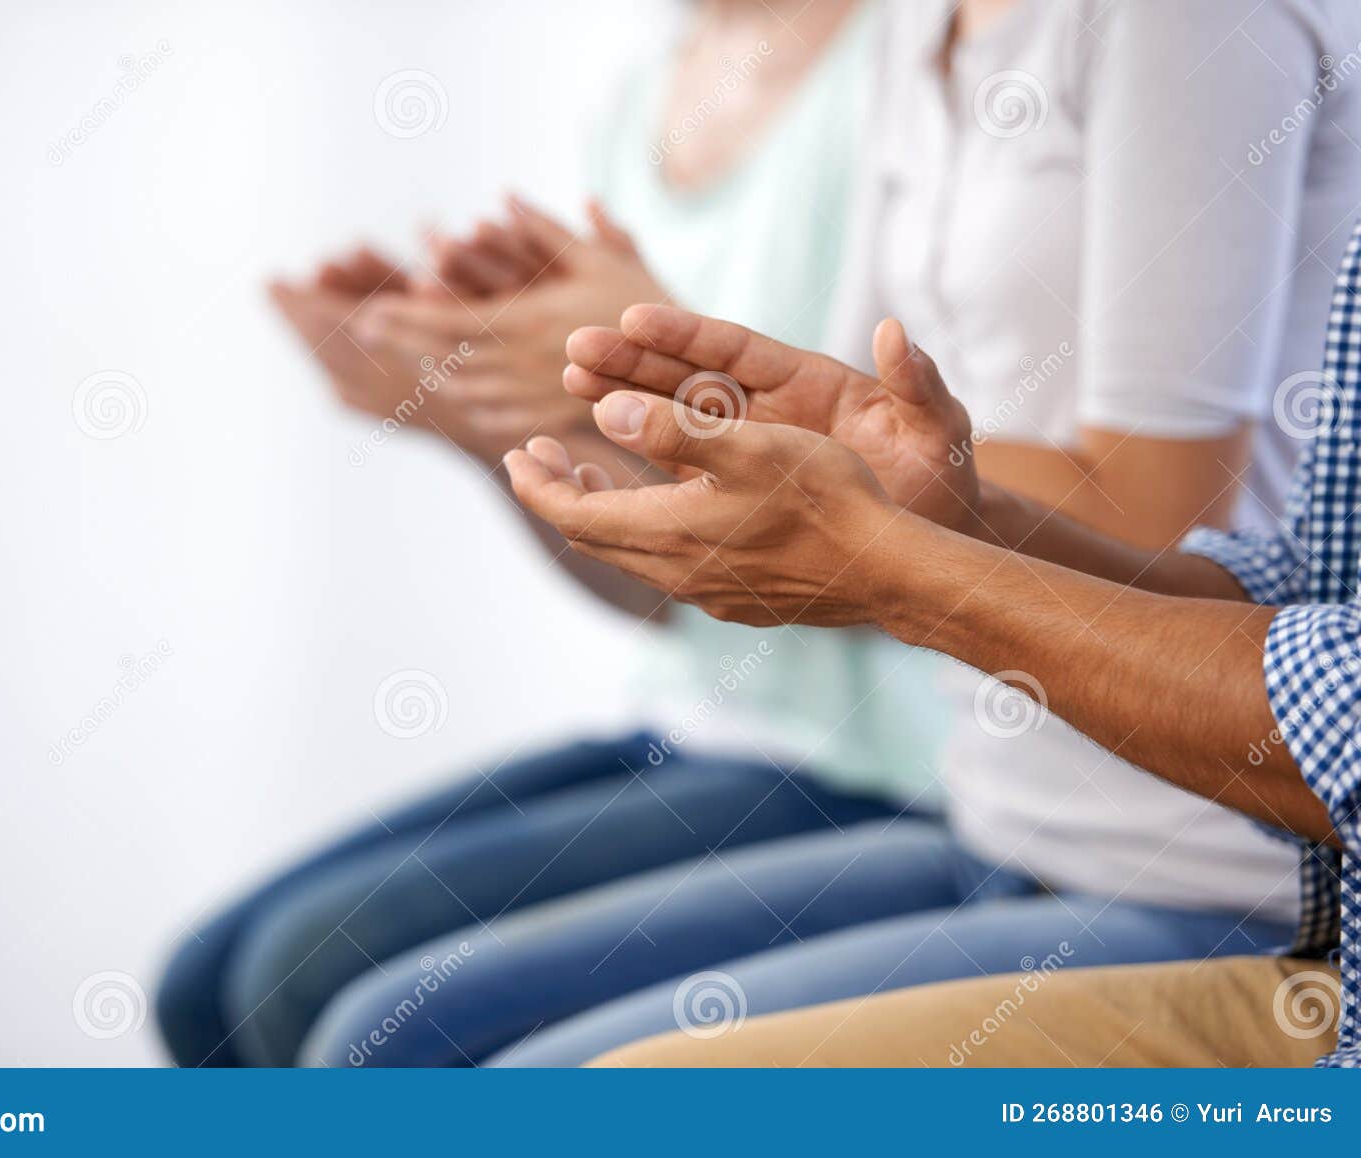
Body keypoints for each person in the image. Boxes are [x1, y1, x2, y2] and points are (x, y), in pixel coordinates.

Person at [295, 0, 1361, 1067]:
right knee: (344, 1017)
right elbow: (864, 426)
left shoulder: (1179, 24)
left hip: (1187, 867)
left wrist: (889, 540)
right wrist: (538, 414)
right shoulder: (915, 28)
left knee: (416, 1047)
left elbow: (1164, 521)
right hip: (1007, 817)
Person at [155, 0, 939, 1068]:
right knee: (206, 988)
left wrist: (658, 381)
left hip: (898, 768)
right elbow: (672, 588)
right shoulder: (642, 98)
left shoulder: (903, 66)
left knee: (312, 991)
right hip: (701, 727)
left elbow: (910, 516)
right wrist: (482, 420)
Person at [514, 214, 1361, 1070]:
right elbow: (1307, 598)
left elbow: (1337, 728)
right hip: (1286, 958)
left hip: (1207, 913)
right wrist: (958, 521)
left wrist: (899, 571)